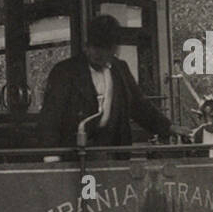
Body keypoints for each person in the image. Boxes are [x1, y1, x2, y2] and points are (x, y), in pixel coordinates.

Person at [38, 14, 190, 149]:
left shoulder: (120, 69)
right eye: (96, 49)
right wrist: (51, 155)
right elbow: (50, 117)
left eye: (107, 50)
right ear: (86, 46)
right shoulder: (64, 72)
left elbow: (139, 106)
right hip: (75, 154)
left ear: (115, 49)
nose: (101, 55)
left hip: (115, 151)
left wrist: (169, 127)